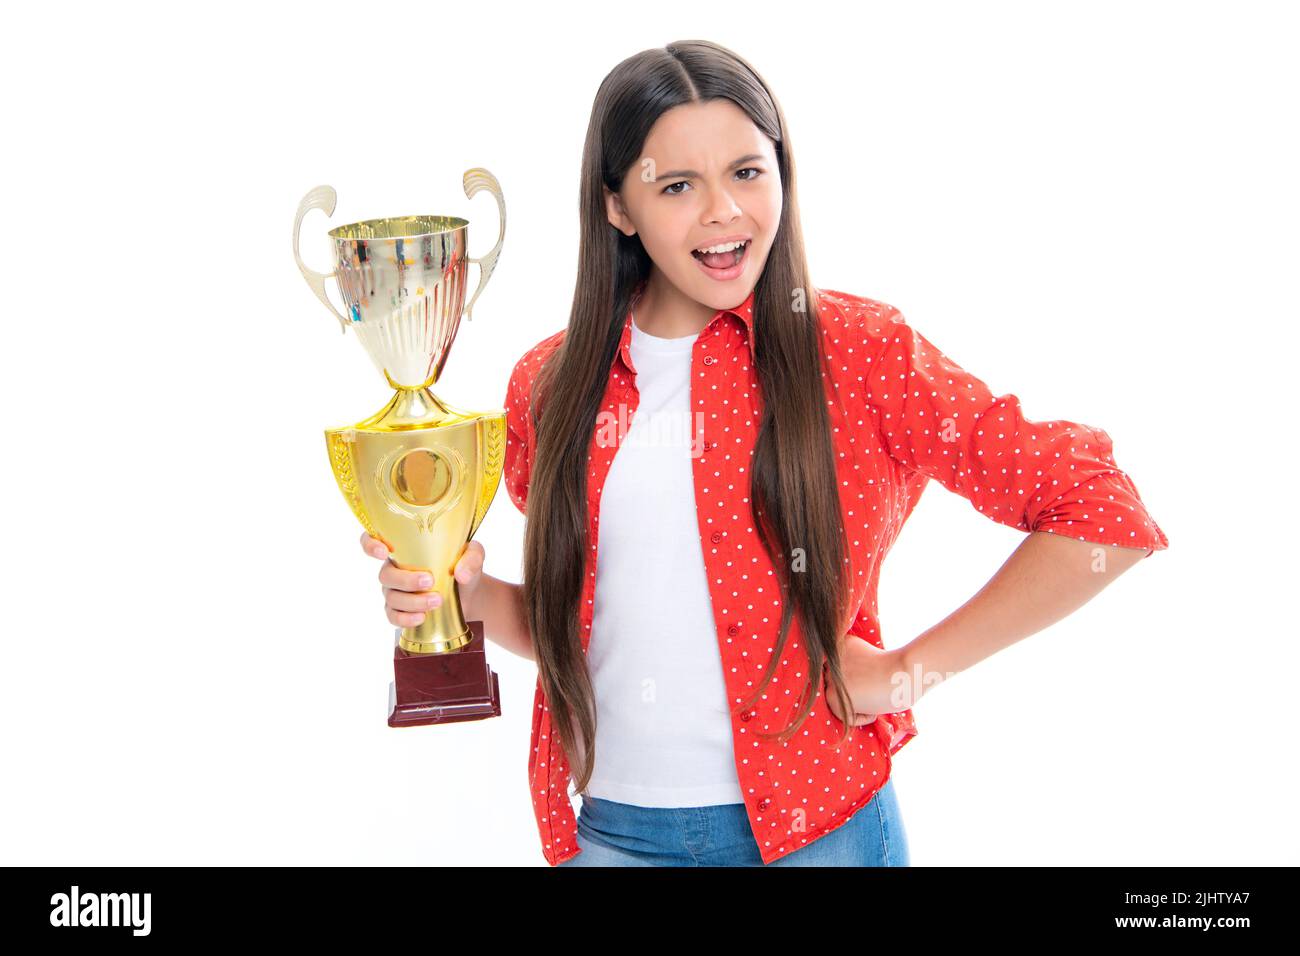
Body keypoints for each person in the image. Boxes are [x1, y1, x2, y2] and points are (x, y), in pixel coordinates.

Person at [360, 39, 1168, 867]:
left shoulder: (860, 354)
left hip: (822, 835)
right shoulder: (551, 385)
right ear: (617, 207)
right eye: (677, 185)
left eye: (748, 171)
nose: (724, 211)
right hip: (613, 835)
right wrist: (467, 595)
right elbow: (595, 624)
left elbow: (1103, 512)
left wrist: (909, 672)